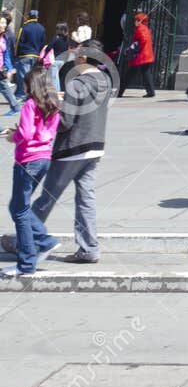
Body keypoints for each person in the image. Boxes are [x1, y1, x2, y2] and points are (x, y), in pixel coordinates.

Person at [8, 37, 113, 265]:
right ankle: (90, 248)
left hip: (72, 149)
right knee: (86, 199)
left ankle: (25, 242)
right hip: (95, 147)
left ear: (84, 58)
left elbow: (65, 122)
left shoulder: (77, 84)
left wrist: (49, 114)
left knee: (47, 198)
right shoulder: (105, 80)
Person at [1, 63, 61, 278]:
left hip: (27, 160)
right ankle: (42, 243)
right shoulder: (54, 105)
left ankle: (29, 259)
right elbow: (42, 132)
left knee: (19, 210)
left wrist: (12, 137)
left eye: (26, 85)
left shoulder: (29, 104)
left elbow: (26, 134)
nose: (25, 89)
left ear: (32, 86)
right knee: (19, 207)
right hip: (44, 158)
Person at [118, 11, 155, 98]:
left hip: (141, 56)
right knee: (146, 74)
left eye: (136, 20)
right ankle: (151, 91)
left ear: (139, 21)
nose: (135, 22)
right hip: (145, 55)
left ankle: (120, 92)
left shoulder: (141, 28)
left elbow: (143, 40)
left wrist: (134, 47)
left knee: (129, 74)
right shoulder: (145, 28)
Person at [13, 11, 46, 97]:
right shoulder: (42, 28)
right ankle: (26, 94)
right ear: (37, 17)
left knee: (23, 76)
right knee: (31, 76)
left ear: (28, 16)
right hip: (35, 56)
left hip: (24, 55)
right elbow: (43, 43)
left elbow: (18, 43)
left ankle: (22, 94)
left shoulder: (24, 27)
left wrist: (15, 54)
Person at [0, 15, 19, 115]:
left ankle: (16, 107)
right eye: (2, 22)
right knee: (4, 87)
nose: (4, 25)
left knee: (4, 87)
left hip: (1, 69)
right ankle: (15, 106)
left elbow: (6, 54)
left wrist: (10, 68)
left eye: (5, 23)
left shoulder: (4, 38)